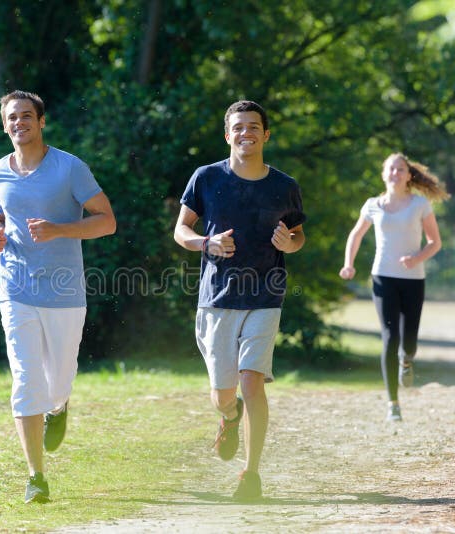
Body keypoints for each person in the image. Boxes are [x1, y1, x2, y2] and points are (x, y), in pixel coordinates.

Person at [0, 90, 116, 503]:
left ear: (42, 122)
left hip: (64, 293)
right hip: (16, 289)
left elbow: (106, 221)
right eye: (12, 117)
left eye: (27, 116)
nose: (19, 122)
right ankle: (36, 477)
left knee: (57, 383)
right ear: (4, 125)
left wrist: (60, 229)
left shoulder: (69, 168)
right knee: (25, 380)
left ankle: (59, 408)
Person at [173, 100, 306, 501]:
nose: (246, 133)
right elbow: (181, 230)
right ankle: (229, 418)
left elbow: (298, 237)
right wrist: (205, 243)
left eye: (253, 127)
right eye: (238, 127)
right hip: (217, 298)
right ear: (227, 134)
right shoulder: (206, 178)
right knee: (225, 395)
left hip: (266, 296)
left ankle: (251, 474)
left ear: (265, 134)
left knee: (253, 383)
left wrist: (291, 242)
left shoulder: (284, 185)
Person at [339, 153, 447, 422]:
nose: (396, 173)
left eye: (401, 169)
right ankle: (393, 403)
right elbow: (356, 235)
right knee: (389, 336)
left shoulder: (420, 204)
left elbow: (435, 242)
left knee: (408, 339)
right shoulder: (372, 205)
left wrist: (416, 258)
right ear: (383, 174)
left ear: (409, 175)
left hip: (413, 279)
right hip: (383, 277)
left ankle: (407, 360)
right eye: (391, 169)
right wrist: (348, 264)